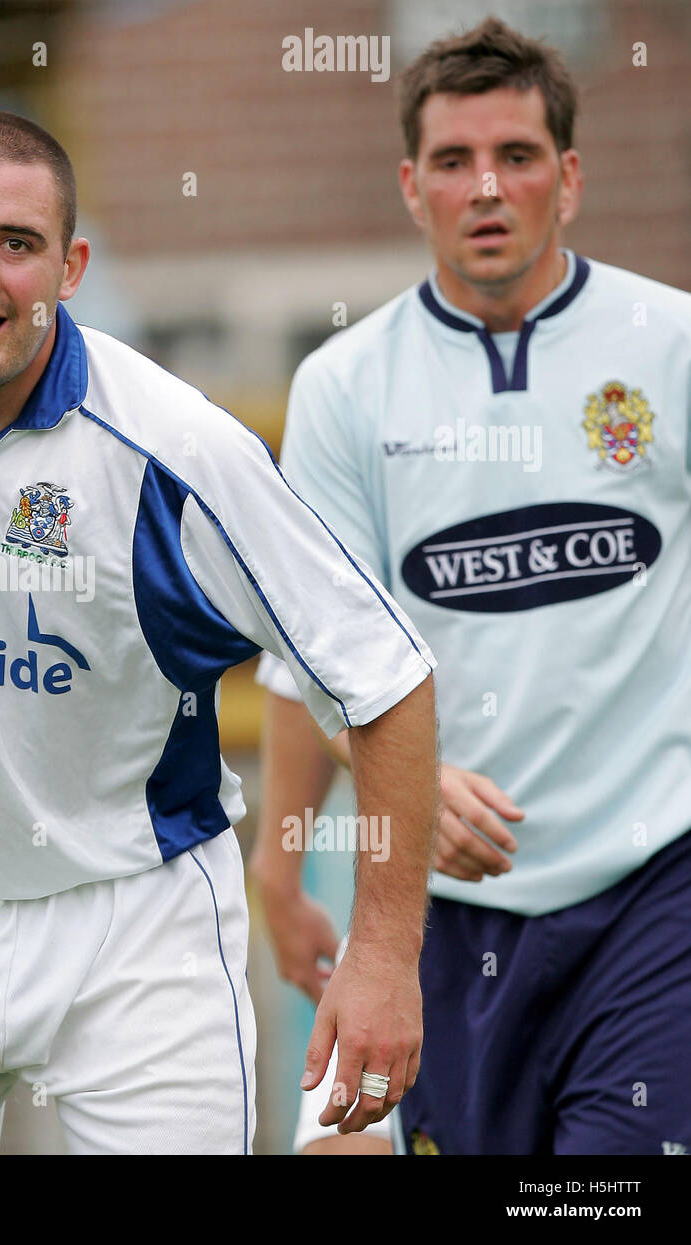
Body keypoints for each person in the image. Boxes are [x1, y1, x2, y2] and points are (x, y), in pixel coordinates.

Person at [0, 111, 440, 1155]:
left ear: (71, 267)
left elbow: (385, 676)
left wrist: (381, 958)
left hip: (138, 930)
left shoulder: (177, 447)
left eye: (16, 244)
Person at [254, 18, 691, 1155]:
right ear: (412, 186)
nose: (485, 188)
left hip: (653, 888)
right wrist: (286, 867)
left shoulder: (672, 346)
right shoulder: (346, 386)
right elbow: (311, 656)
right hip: (429, 908)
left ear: (569, 178)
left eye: (517, 156)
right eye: (453, 160)